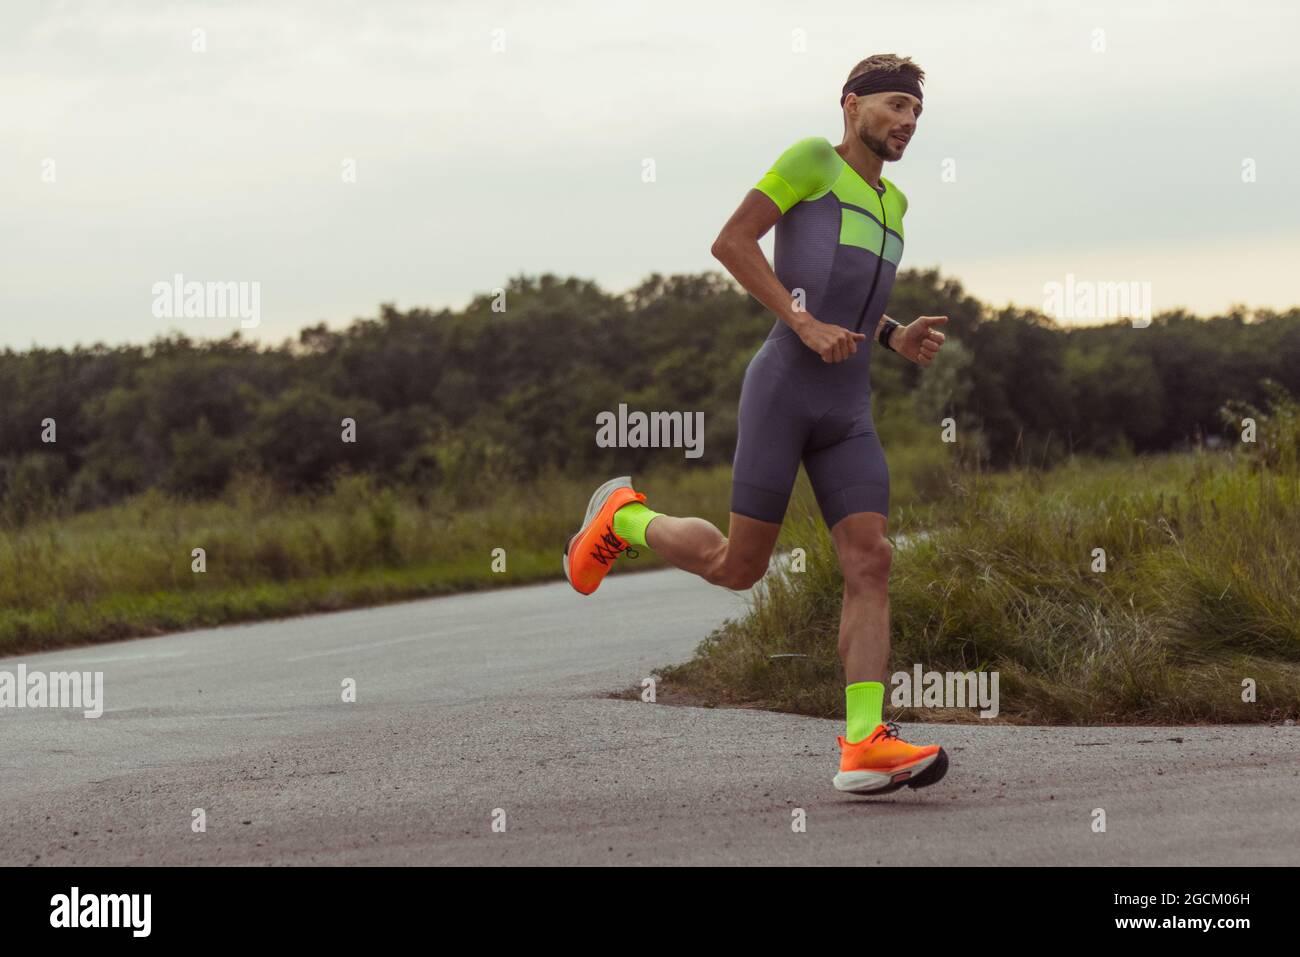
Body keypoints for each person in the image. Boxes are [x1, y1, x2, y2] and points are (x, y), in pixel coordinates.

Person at [564, 54, 950, 795]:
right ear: (852, 105)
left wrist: (895, 335)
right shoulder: (812, 160)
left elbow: (856, 302)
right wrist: (799, 320)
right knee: (740, 569)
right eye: (896, 105)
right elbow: (733, 243)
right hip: (783, 387)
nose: (906, 122)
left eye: (916, 113)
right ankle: (626, 517)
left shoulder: (895, 205)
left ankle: (864, 743)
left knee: (870, 561)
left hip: (849, 408)